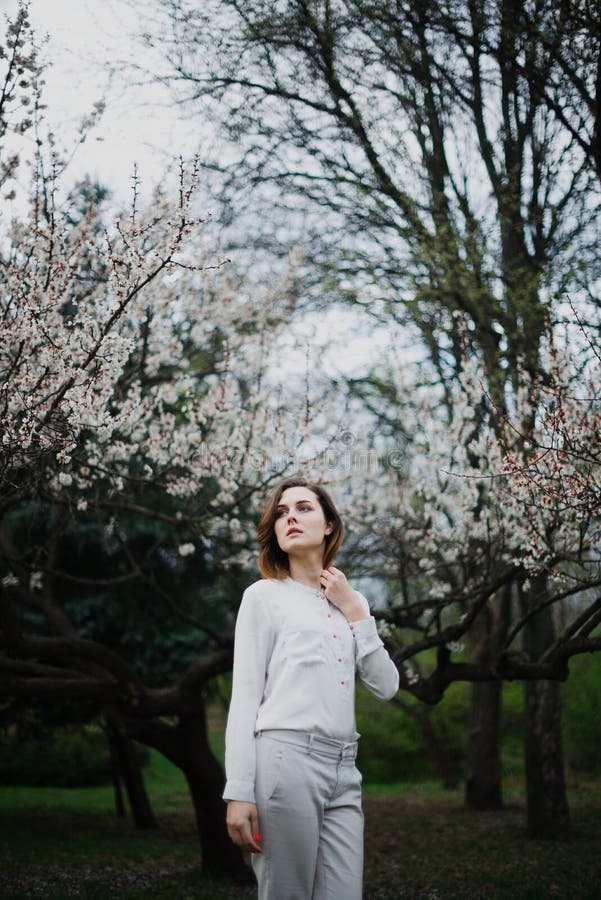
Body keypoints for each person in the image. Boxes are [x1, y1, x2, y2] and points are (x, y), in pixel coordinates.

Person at [223, 475, 399, 899]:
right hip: (286, 762)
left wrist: (355, 609)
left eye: (304, 509)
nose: (291, 518)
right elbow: (244, 698)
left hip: (345, 769)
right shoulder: (263, 596)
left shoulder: (351, 602)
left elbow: (387, 686)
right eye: (282, 512)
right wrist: (239, 792)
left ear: (329, 525)